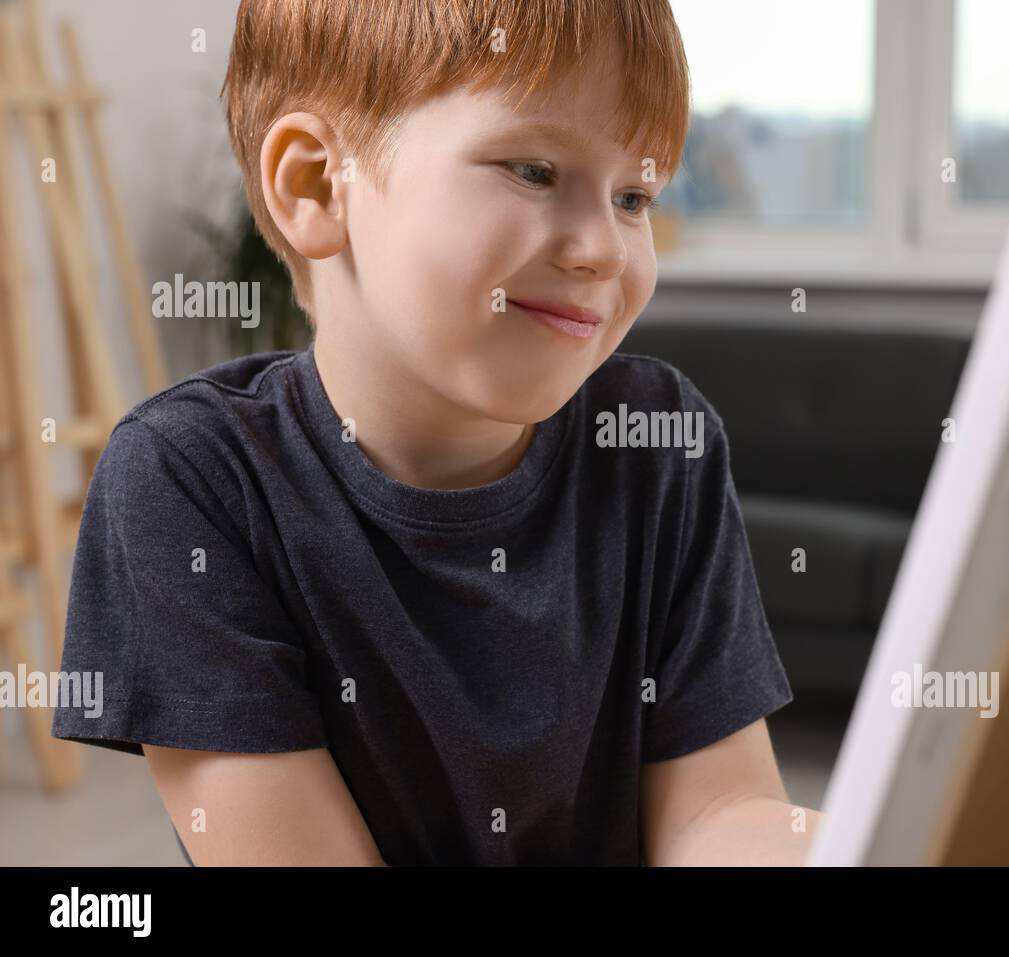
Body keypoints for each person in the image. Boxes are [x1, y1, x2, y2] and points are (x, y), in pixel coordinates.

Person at [52, 0, 820, 865]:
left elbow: (719, 812)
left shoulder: (658, 441)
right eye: (533, 170)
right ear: (313, 183)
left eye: (634, 195)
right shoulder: (190, 477)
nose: (604, 247)